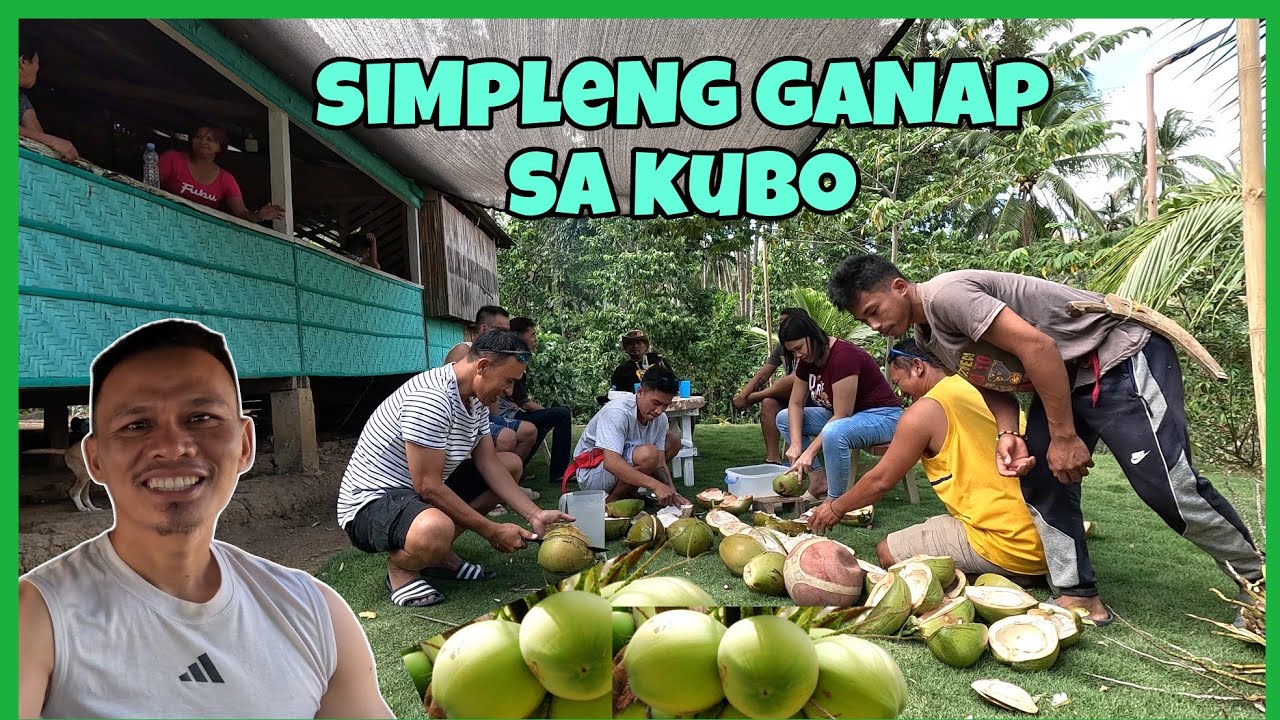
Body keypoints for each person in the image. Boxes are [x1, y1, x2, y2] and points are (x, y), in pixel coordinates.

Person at [829, 254, 1263, 625]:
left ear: (900, 287)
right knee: (1040, 482)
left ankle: (1258, 581)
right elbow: (990, 384)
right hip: (1062, 379)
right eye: (863, 319)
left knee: (1167, 486)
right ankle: (1077, 594)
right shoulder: (929, 336)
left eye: (873, 310)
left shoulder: (948, 296)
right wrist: (1008, 433)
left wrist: (1063, 436)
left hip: (1117, 358)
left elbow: (1038, 348)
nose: (874, 324)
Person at [18, 319, 392, 719]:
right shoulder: (36, 618)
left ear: (245, 445)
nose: (173, 446)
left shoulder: (313, 610)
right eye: (137, 425)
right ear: (95, 460)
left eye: (201, 418)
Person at [337, 330, 573, 607]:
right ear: (483, 366)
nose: (510, 391)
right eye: (508, 381)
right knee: (434, 529)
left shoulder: (476, 399)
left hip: (415, 494)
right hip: (372, 504)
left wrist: (534, 513)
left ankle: (438, 555)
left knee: (510, 465)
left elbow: (488, 462)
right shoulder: (431, 399)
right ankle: (402, 569)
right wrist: (492, 531)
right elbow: (427, 486)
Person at [807, 339, 1047, 582]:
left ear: (918, 366)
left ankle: (1003, 573)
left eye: (900, 382)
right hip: (1044, 534)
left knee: (887, 552)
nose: (901, 393)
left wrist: (835, 508)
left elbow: (881, 481)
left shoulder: (923, 412)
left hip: (1009, 543)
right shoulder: (976, 386)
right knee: (933, 524)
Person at [776, 314, 903, 500]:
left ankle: (835, 501)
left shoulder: (843, 357)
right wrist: (795, 445)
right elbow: (796, 403)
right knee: (784, 417)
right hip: (850, 417)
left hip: (884, 416)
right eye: (792, 352)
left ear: (812, 336)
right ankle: (819, 480)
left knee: (834, 431)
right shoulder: (807, 360)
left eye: (799, 348)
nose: (798, 355)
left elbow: (842, 414)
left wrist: (809, 452)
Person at [569, 366, 688, 506]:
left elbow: (660, 462)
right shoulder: (617, 411)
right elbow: (611, 463)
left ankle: (629, 492)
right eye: (656, 403)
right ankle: (611, 501)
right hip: (591, 472)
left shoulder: (661, 420)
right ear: (640, 392)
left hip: (620, 464)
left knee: (673, 440)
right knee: (649, 454)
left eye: (665, 405)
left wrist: (672, 493)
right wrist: (655, 485)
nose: (659, 411)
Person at [443, 306, 538, 461]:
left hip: (481, 415)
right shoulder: (464, 351)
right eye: (500, 331)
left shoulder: (501, 358)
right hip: (461, 419)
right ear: (484, 329)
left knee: (528, 431)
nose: (506, 337)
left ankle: (509, 476)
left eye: (508, 332)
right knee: (506, 437)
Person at [732, 307, 818, 464]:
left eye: (784, 322)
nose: (781, 326)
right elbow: (764, 373)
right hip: (794, 397)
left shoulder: (812, 346)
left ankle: (803, 459)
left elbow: (795, 380)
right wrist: (744, 395)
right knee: (769, 403)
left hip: (815, 397)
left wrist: (756, 396)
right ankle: (772, 458)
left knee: (789, 384)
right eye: (780, 323)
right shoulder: (783, 347)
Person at [158, 124, 285, 224]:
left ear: (220, 147)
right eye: (198, 137)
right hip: (162, 217)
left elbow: (242, 213)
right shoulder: (172, 158)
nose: (203, 141)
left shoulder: (226, 179)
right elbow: (150, 184)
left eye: (210, 139)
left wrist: (259, 216)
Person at [499, 316, 573, 486]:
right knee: (561, 414)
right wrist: (548, 412)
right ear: (518, 336)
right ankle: (559, 473)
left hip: (513, 413)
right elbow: (524, 403)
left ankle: (519, 470)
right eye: (532, 335)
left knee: (547, 420)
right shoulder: (512, 360)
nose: (535, 340)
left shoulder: (517, 359)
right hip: (506, 416)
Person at [19, 33, 79, 162]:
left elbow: (37, 134)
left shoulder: (20, 99)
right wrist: (51, 140)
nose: (38, 69)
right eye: (37, 63)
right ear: (23, 61)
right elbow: (44, 140)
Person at [610, 329, 673, 393]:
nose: (635, 346)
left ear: (646, 346)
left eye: (638, 343)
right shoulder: (622, 369)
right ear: (626, 348)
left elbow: (672, 380)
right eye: (631, 344)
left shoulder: (657, 360)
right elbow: (616, 392)